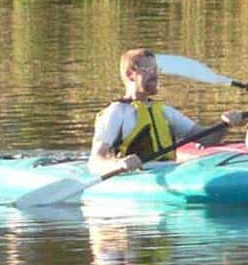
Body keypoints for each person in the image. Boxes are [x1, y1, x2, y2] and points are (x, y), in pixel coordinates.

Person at [88, 48, 208, 177]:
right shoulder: (116, 112)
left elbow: (207, 138)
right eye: (149, 70)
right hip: (135, 176)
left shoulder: (165, 111)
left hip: (171, 172)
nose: (155, 75)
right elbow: (95, 163)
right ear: (130, 74)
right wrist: (118, 164)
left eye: (156, 70)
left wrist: (226, 123)